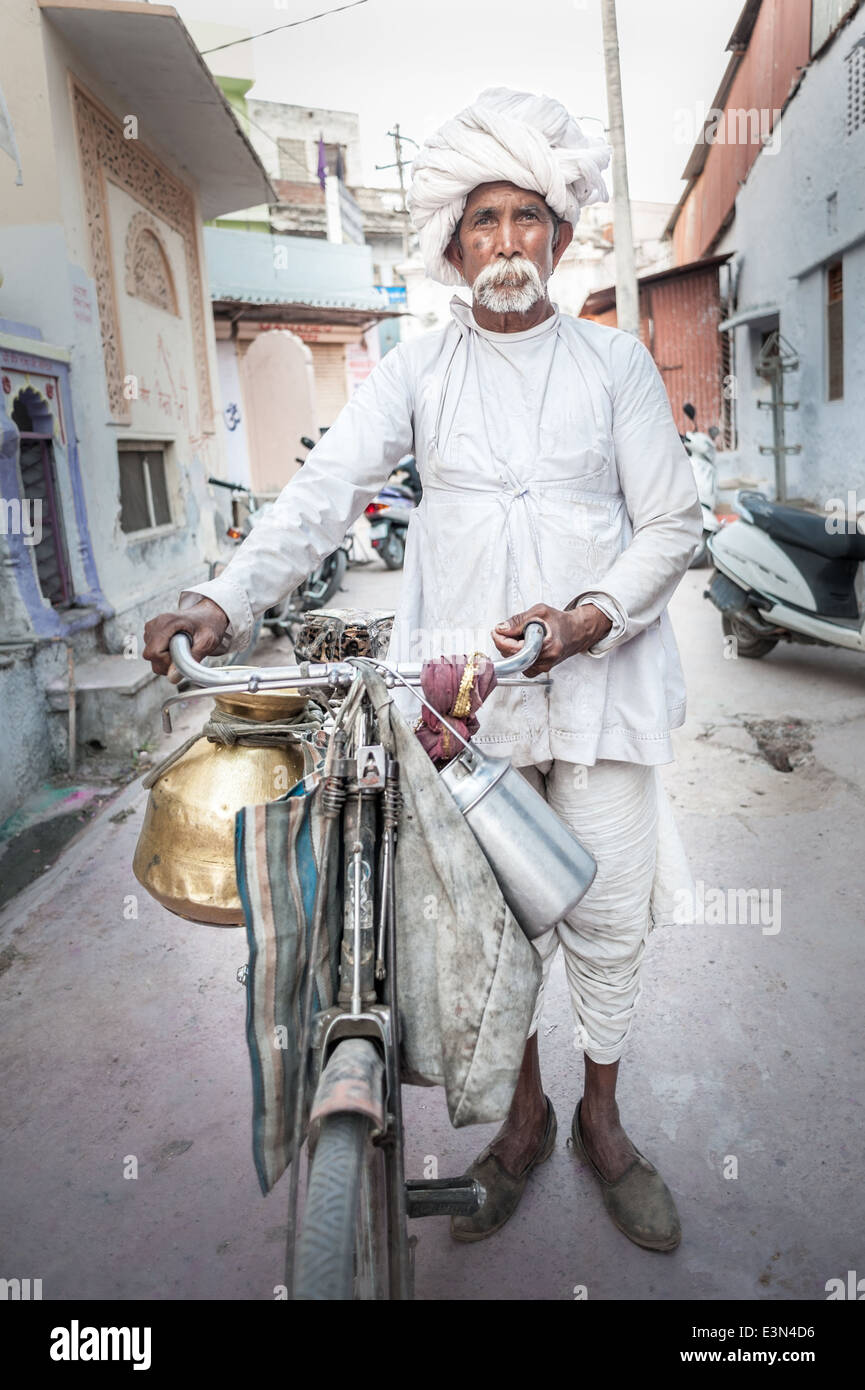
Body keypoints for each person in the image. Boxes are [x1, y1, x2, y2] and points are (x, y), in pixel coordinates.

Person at [144, 87, 702, 1254]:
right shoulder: (414, 367)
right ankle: (525, 1120)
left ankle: (604, 1119)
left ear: (557, 235)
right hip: (461, 702)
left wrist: (590, 615)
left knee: (602, 919)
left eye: (526, 219)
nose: (506, 242)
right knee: (492, 931)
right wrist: (225, 592)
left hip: (598, 691)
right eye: (483, 221)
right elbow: (322, 491)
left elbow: (670, 528)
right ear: (454, 246)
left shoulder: (613, 363)